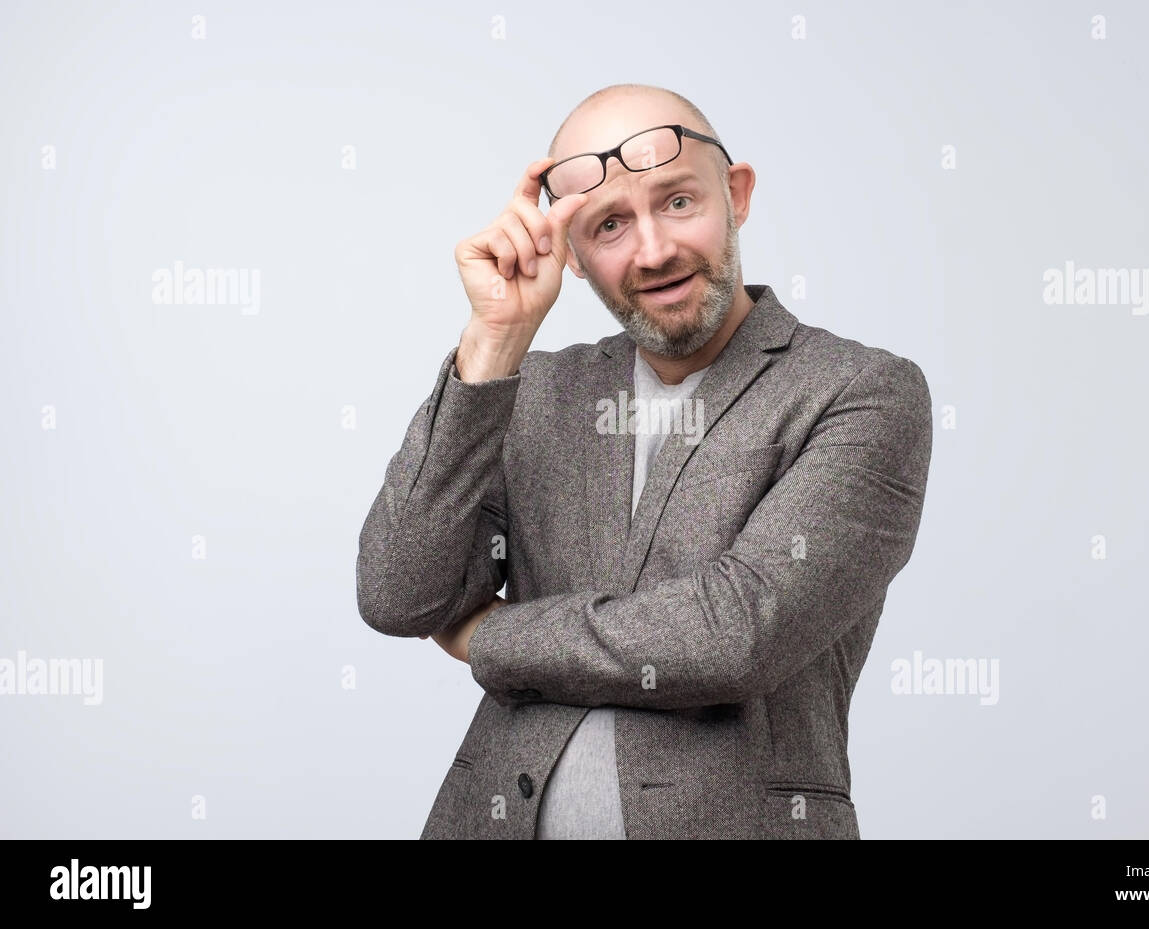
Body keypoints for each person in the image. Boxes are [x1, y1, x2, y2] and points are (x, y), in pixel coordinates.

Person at [355, 83, 933, 839]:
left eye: (678, 202)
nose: (654, 249)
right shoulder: (535, 390)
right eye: (610, 225)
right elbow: (399, 593)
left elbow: (735, 634)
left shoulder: (859, 392)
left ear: (736, 194)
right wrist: (493, 342)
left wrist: (490, 636)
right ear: (574, 257)